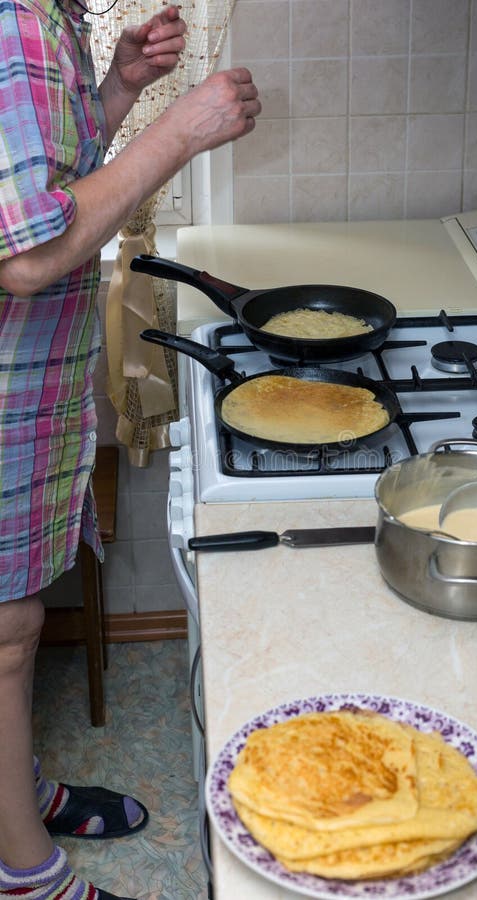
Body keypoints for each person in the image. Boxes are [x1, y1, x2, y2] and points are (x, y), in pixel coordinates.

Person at [0, 1, 260, 897]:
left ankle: (16, 802)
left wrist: (115, 92)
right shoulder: (14, 20)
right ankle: (25, 874)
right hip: (5, 385)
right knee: (7, 632)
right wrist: (181, 132)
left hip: (27, 383)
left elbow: (34, 184)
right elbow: (27, 256)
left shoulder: (50, 17)